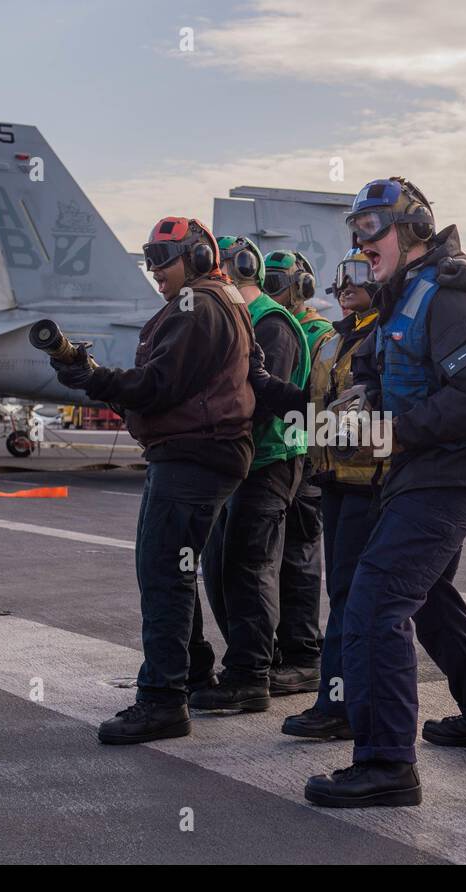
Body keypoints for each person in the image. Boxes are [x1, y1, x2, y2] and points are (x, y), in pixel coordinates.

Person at [303, 177, 466, 809]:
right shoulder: (405, 294)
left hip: (451, 474)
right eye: (357, 230)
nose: (361, 243)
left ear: (413, 228)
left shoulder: (449, 295)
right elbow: (384, 364)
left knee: (374, 603)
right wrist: (365, 392)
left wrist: (387, 433)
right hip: (423, 472)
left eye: (373, 229)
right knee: (427, 598)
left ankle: (387, 765)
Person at [52, 217, 255, 743]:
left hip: (192, 456)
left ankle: (163, 701)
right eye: (150, 259)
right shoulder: (223, 301)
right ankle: (187, 675)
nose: (155, 271)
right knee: (174, 571)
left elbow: (159, 385)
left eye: (164, 259)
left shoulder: (198, 306)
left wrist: (93, 378)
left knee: (163, 574)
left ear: (198, 256)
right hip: (205, 453)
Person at [252, 248, 382, 740]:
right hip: (332, 478)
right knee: (343, 594)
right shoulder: (336, 341)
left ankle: (345, 705)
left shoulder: (385, 336)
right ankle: (336, 701)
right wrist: (265, 385)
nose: (346, 284)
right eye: (342, 275)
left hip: (370, 483)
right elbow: (312, 407)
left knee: (361, 600)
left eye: (360, 274)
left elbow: (383, 419)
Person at [190, 236, 310, 714]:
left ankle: (250, 676)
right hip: (240, 462)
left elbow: (262, 400)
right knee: (222, 567)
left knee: (249, 567)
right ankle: (249, 662)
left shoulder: (271, 324)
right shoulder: (242, 318)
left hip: (269, 460)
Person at [263, 249, 333, 694]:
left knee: (299, 558)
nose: (273, 292)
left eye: (278, 284)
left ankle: (304, 656)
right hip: (285, 454)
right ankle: (287, 649)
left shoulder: (318, 334)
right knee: (277, 558)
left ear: (302, 288)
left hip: (306, 458)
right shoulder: (273, 325)